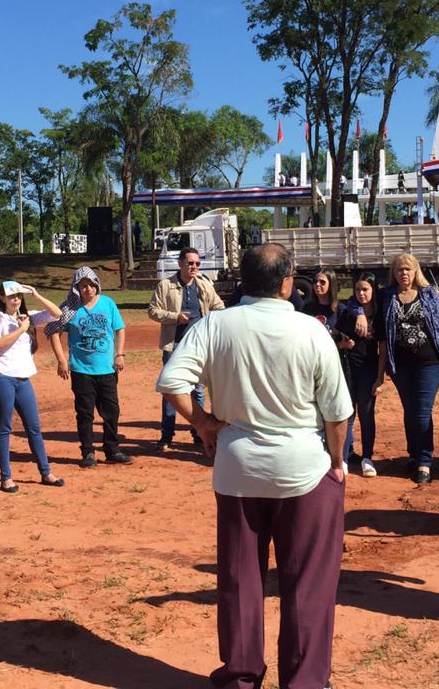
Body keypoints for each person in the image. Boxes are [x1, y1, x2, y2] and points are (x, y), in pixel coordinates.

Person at [157, 243, 352, 689]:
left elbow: (171, 382)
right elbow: (338, 412)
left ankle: (241, 677)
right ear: (287, 283)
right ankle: (303, 682)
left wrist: (204, 423)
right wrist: (338, 461)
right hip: (303, 470)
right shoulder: (310, 330)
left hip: (237, 469)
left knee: (240, 581)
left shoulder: (215, 325)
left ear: (244, 281)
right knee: (307, 586)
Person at [374, 253, 439, 485]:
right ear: (393, 272)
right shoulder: (386, 296)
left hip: (429, 363)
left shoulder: (429, 294)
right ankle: (413, 454)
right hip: (400, 365)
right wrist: (359, 313)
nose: (404, 273)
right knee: (409, 410)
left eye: (408, 269)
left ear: (416, 272)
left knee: (422, 412)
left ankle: (425, 460)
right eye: (399, 269)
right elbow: (359, 302)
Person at [0, 282, 67, 492]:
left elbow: (57, 314)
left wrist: (37, 295)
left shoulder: (28, 317)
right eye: (11, 296)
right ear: (2, 298)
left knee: (34, 427)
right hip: (1, 377)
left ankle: (46, 472)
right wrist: (21, 328)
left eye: (18, 296)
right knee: (4, 428)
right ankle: (6, 478)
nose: (15, 300)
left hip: (23, 379)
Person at [49, 266, 131, 467]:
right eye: (83, 286)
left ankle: (111, 449)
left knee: (111, 411)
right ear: (76, 288)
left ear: (97, 285)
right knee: (85, 413)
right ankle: (87, 452)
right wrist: (61, 360)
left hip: (107, 370)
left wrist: (119, 355)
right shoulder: (70, 309)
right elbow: (53, 332)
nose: (88, 289)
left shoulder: (108, 303)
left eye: (91, 285)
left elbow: (119, 329)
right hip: (81, 370)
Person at [146, 247, 225, 450]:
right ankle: (167, 435)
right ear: (180, 264)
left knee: (197, 389)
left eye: (197, 264)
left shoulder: (204, 286)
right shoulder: (165, 285)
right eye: (190, 263)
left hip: (199, 346)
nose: (194, 267)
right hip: (175, 344)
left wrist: (211, 322)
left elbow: (219, 307)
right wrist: (175, 316)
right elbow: (153, 311)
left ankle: (198, 432)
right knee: (171, 389)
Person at [337, 272, 380, 478]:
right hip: (348, 369)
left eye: (366, 289)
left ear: (373, 290)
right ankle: (344, 458)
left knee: (366, 413)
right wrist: (345, 342)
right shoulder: (348, 312)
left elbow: (383, 350)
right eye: (358, 290)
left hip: (369, 370)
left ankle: (367, 458)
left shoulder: (380, 314)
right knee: (348, 414)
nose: (361, 293)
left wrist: (380, 377)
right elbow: (337, 336)